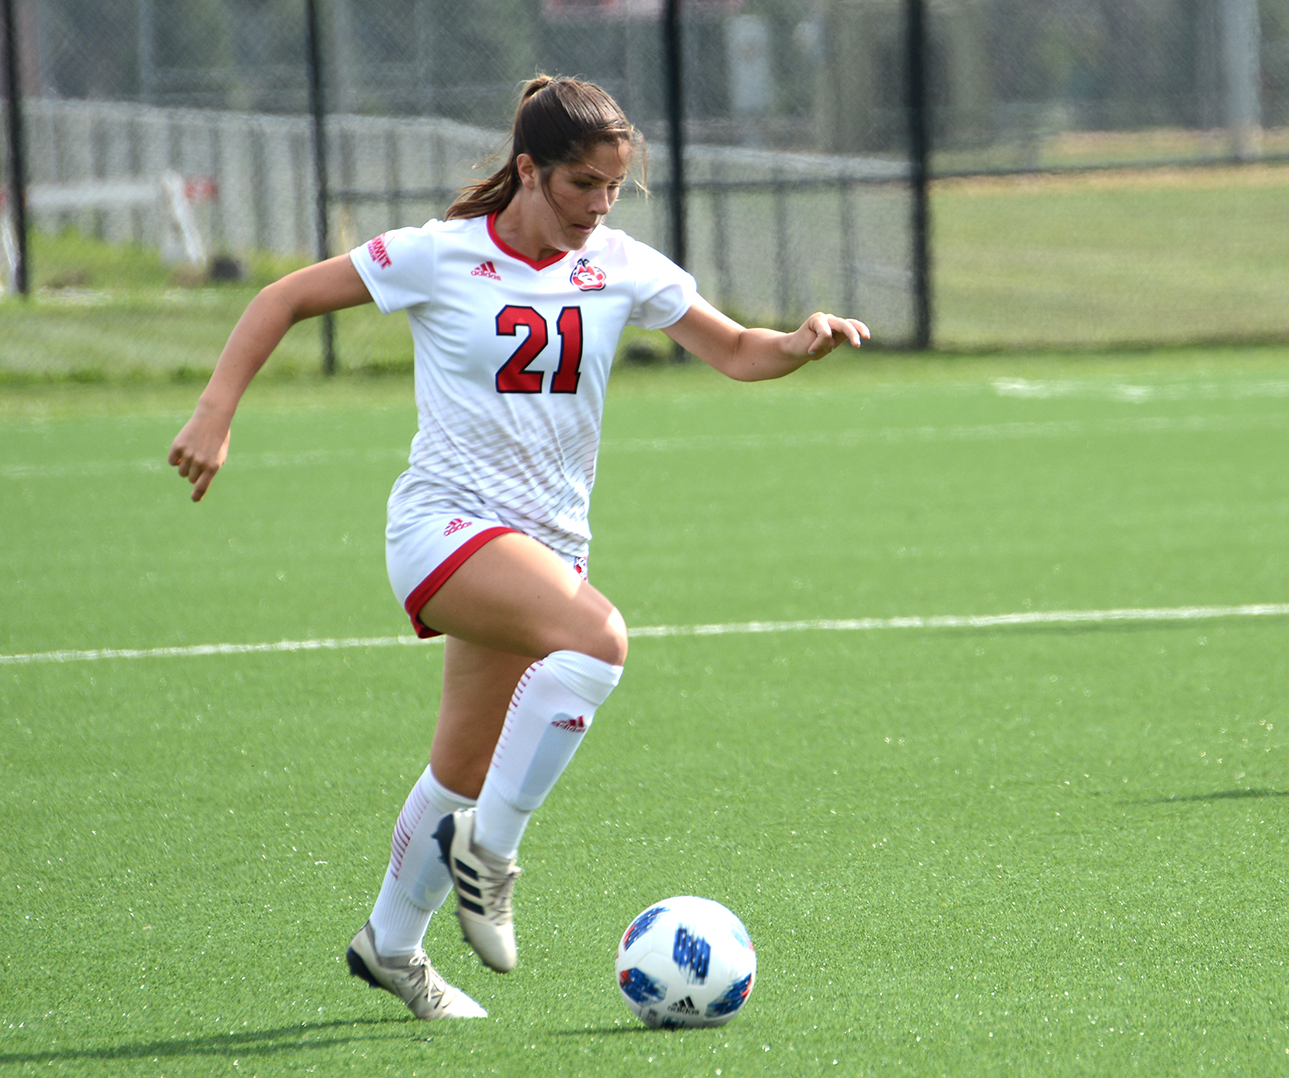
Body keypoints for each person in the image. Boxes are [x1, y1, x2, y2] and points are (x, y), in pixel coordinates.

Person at [167, 76, 869, 1018]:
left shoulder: (618, 263)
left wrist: (799, 341)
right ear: (529, 171)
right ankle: (489, 857)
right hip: (442, 528)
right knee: (599, 643)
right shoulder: (440, 254)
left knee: (459, 767)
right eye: (583, 184)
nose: (600, 205)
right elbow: (282, 298)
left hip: (543, 547)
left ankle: (391, 944)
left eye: (615, 187)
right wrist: (215, 414)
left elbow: (738, 348)